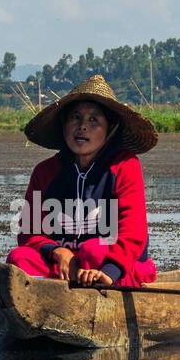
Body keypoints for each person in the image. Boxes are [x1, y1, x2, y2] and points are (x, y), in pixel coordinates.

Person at [8, 74, 158, 287]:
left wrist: (109, 272)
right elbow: (29, 233)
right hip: (64, 266)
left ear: (110, 129)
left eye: (93, 120)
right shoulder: (44, 172)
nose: (82, 127)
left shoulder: (125, 166)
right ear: (64, 125)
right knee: (19, 259)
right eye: (75, 117)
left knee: (92, 251)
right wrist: (57, 252)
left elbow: (133, 232)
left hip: (116, 265)